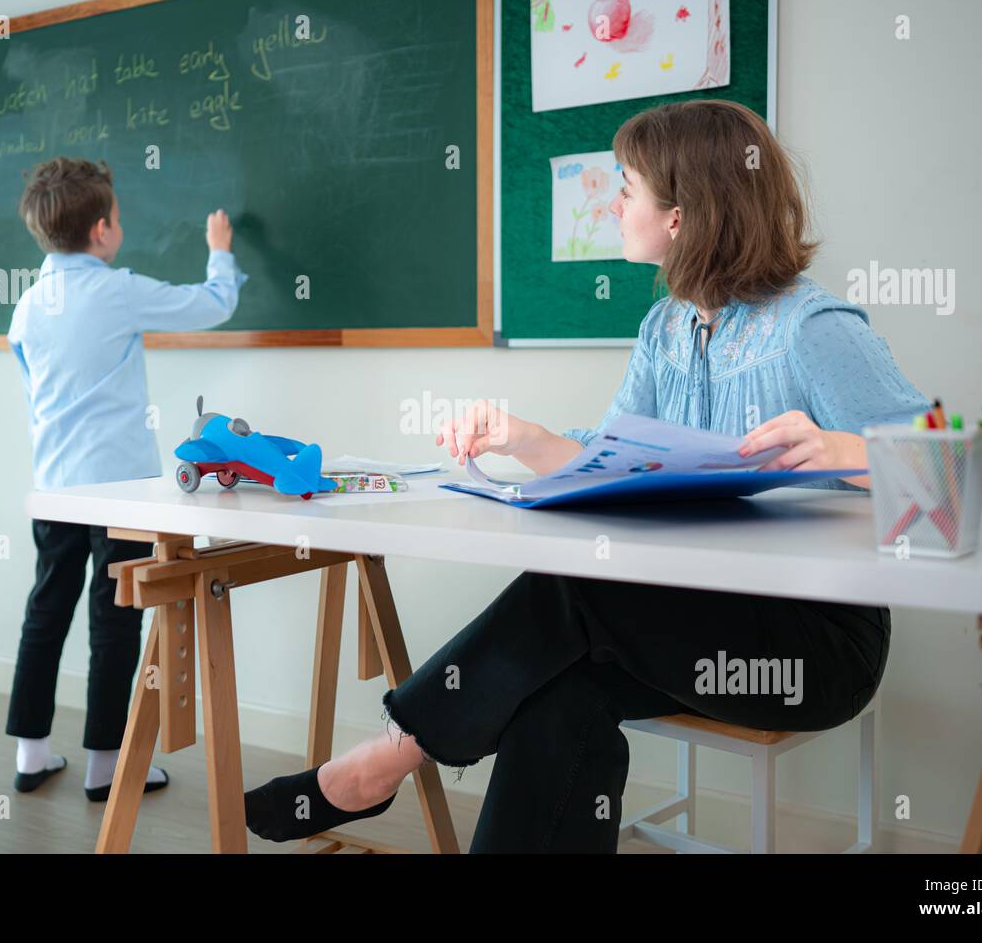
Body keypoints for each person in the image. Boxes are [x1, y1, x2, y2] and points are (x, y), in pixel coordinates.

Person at [244, 100, 934, 851]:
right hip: (684, 623)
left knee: (581, 584)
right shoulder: (664, 328)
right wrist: (524, 438)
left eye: (626, 188)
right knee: (555, 693)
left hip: (809, 649)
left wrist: (843, 452)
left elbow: (958, 487)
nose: (613, 204)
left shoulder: (813, 328)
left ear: (680, 216)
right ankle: (383, 766)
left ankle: (381, 762)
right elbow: (616, 461)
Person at [5, 157, 245, 800]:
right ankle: (106, 769)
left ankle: (30, 755)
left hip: (53, 486)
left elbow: (33, 394)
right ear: (104, 229)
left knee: (45, 611)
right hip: (122, 493)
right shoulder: (117, 289)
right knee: (115, 618)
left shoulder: (26, 307)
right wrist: (220, 252)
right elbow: (213, 305)